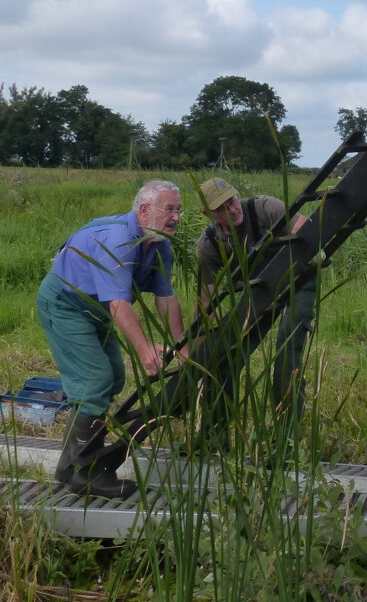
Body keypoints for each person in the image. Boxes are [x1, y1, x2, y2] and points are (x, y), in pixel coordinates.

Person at [36, 179, 187, 499]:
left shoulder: (160, 243)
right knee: (95, 382)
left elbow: (166, 298)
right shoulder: (117, 240)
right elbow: (119, 304)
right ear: (145, 211)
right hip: (66, 305)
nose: (175, 218)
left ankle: (68, 471)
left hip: (96, 308)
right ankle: (87, 474)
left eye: (179, 210)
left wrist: (181, 344)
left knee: (113, 379)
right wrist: (146, 351)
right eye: (168, 210)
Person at [193, 177, 315, 438]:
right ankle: (214, 437)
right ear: (207, 214)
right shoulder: (210, 245)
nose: (232, 209)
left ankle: (285, 441)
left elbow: (307, 230)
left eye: (233, 201)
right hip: (257, 294)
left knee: (286, 355)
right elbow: (206, 302)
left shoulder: (266, 208)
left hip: (299, 281)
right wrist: (196, 350)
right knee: (222, 358)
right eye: (222, 208)